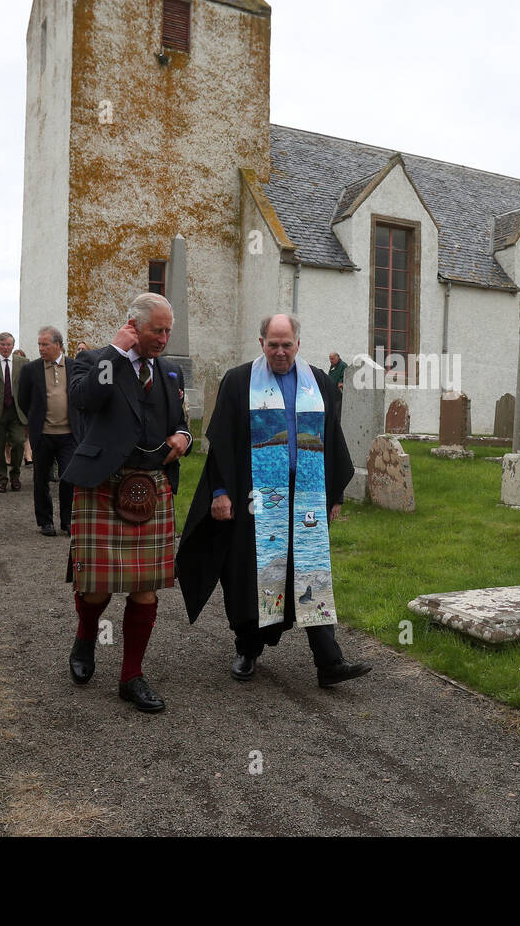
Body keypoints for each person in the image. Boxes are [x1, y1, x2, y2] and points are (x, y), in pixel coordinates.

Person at [178, 314, 372, 689]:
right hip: (258, 496)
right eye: (273, 344)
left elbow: (332, 439)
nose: (280, 352)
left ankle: (329, 662)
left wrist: (334, 496)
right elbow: (220, 442)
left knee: (311, 571)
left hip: (308, 494)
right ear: (261, 342)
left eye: (287, 345)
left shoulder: (318, 382)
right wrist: (220, 492)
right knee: (255, 572)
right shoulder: (239, 381)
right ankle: (248, 649)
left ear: (298, 343)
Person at [61, 293, 192, 714]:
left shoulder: (170, 373)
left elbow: (180, 421)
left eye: (168, 330)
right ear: (133, 327)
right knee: (96, 587)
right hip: (103, 483)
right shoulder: (96, 359)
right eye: (158, 330)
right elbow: (83, 400)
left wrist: (183, 438)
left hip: (151, 486)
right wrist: (117, 355)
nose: (164, 338)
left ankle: (131, 676)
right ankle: (86, 637)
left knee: (145, 588)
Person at [17, 326, 83, 537]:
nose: (41, 348)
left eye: (45, 344)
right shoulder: (31, 370)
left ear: (58, 345)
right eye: (39, 344)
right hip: (43, 434)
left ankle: (67, 521)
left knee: (69, 478)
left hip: (69, 435)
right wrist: (36, 420)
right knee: (41, 479)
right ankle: (45, 521)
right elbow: (23, 400)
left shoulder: (74, 366)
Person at [0, 333, 27, 492]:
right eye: (2, 345)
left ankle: (15, 475)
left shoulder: (23, 363)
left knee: (19, 442)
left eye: (8, 345)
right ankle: (2, 479)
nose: (5, 348)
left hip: (17, 411)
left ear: (13, 345)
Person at [327, 351, 347, 421]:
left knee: (337, 414)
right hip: (332, 394)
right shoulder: (333, 365)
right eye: (330, 359)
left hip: (338, 395)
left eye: (332, 359)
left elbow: (345, 378)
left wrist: (341, 383)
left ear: (337, 358)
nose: (331, 361)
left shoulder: (343, 366)